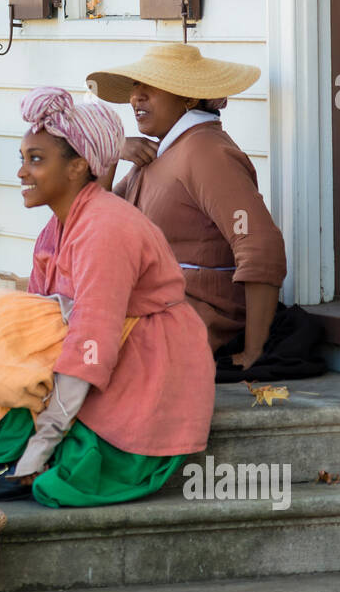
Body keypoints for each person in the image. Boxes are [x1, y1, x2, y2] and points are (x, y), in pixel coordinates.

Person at [0, 87, 216, 507]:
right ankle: (3, 457)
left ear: (78, 166)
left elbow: (93, 338)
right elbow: (40, 321)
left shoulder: (106, 227)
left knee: (69, 468)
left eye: (37, 160)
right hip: (93, 345)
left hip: (149, 357)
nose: (22, 173)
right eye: (23, 159)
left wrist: (41, 447)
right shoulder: (56, 227)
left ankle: (29, 466)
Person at [86, 43, 294, 375]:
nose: (135, 97)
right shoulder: (156, 156)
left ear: (187, 97)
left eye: (149, 87)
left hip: (192, 322)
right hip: (147, 312)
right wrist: (112, 155)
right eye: (135, 87)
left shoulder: (206, 152)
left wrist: (254, 350)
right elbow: (93, 227)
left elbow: (260, 246)